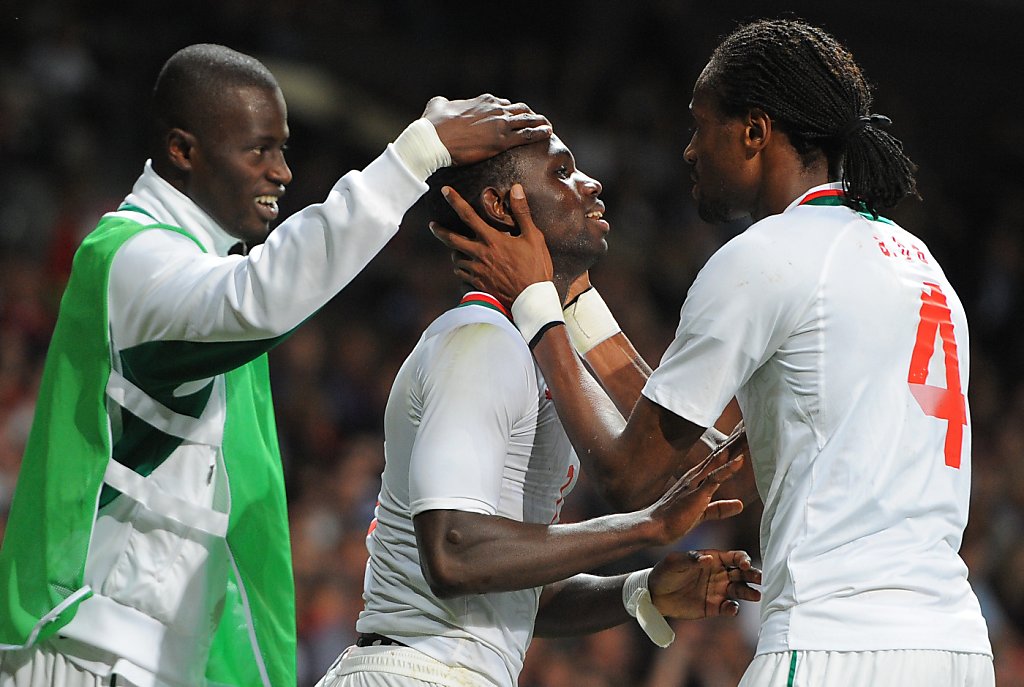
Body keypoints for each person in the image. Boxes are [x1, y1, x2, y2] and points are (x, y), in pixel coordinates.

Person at [432, 18, 994, 687]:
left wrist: (535, 303)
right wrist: (579, 306)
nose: (691, 150)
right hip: (955, 644)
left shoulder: (764, 256)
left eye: (702, 125)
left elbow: (630, 479)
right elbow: (734, 467)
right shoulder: (919, 263)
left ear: (754, 132)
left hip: (834, 642)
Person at [0, 43, 555, 687]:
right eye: (258, 149)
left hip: (160, 658)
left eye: (283, 149)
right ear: (184, 150)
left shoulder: (201, 268)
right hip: (82, 645)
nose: (283, 172)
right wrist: (414, 155)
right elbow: (258, 298)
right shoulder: (128, 258)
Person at [316, 133, 761, 687]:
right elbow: (455, 550)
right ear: (505, 206)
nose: (591, 183)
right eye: (562, 172)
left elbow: (522, 591)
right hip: (415, 670)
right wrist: (642, 527)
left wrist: (638, 590)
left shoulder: (531, 348)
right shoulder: (479, 340)